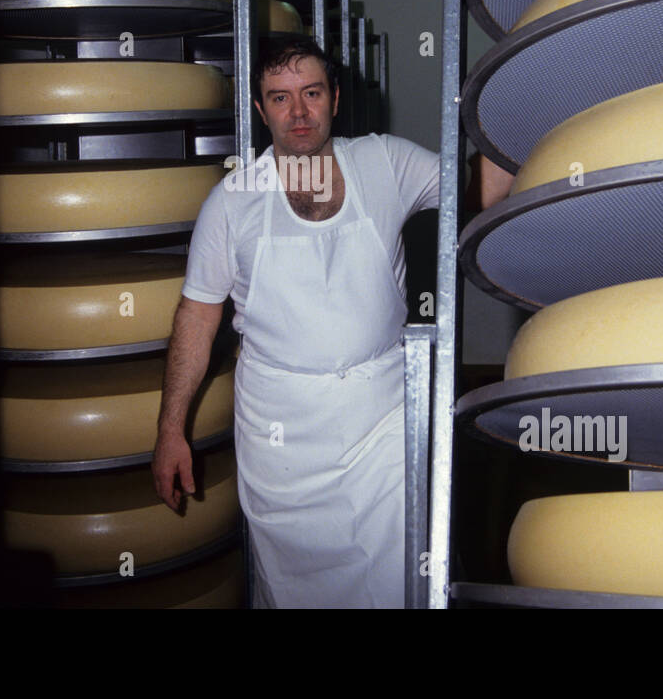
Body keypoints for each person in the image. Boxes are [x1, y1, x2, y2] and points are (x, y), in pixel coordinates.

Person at [151, 35, 512, 608]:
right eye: (280, 98)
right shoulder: (232, 202)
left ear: (335, 98)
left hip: (381, 416)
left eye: (311, 93)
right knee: (296, 589)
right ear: (259, 108)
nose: (298, 113)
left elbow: (476, 189)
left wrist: (524, 115)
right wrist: (171, 429)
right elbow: (198, 314)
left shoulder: (383, 162)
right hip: (281, 434)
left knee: (400, 574)